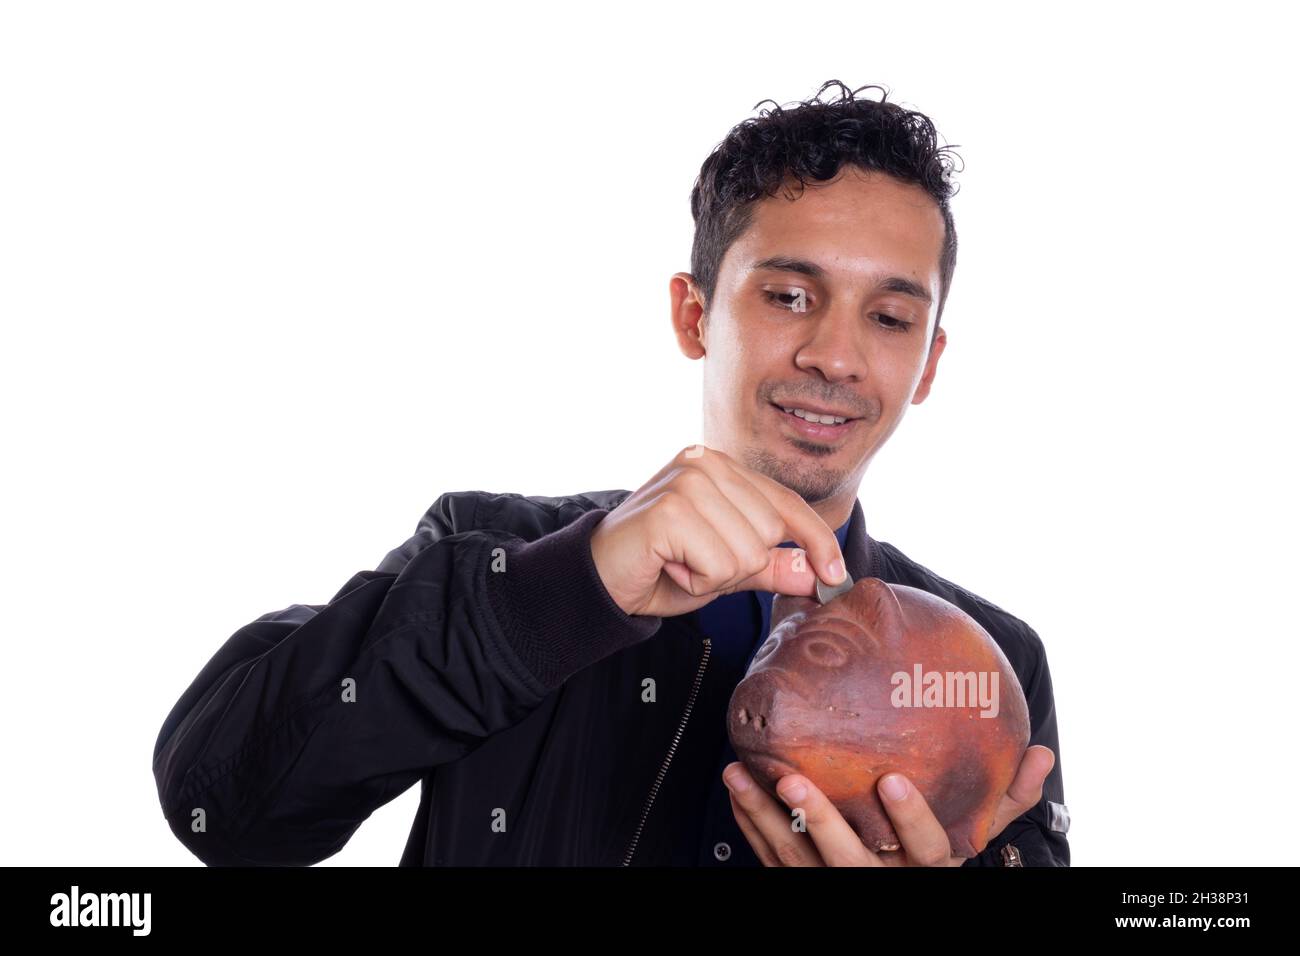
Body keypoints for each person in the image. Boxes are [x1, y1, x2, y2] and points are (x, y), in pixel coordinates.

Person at [152, 80, 1070, 867]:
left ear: (931, 364)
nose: (835, 355)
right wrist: (567, 591)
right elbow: (222, 801)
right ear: (693, 315)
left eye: (890, 317)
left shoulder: (994, 663)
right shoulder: (503, 550)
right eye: (789, 296)